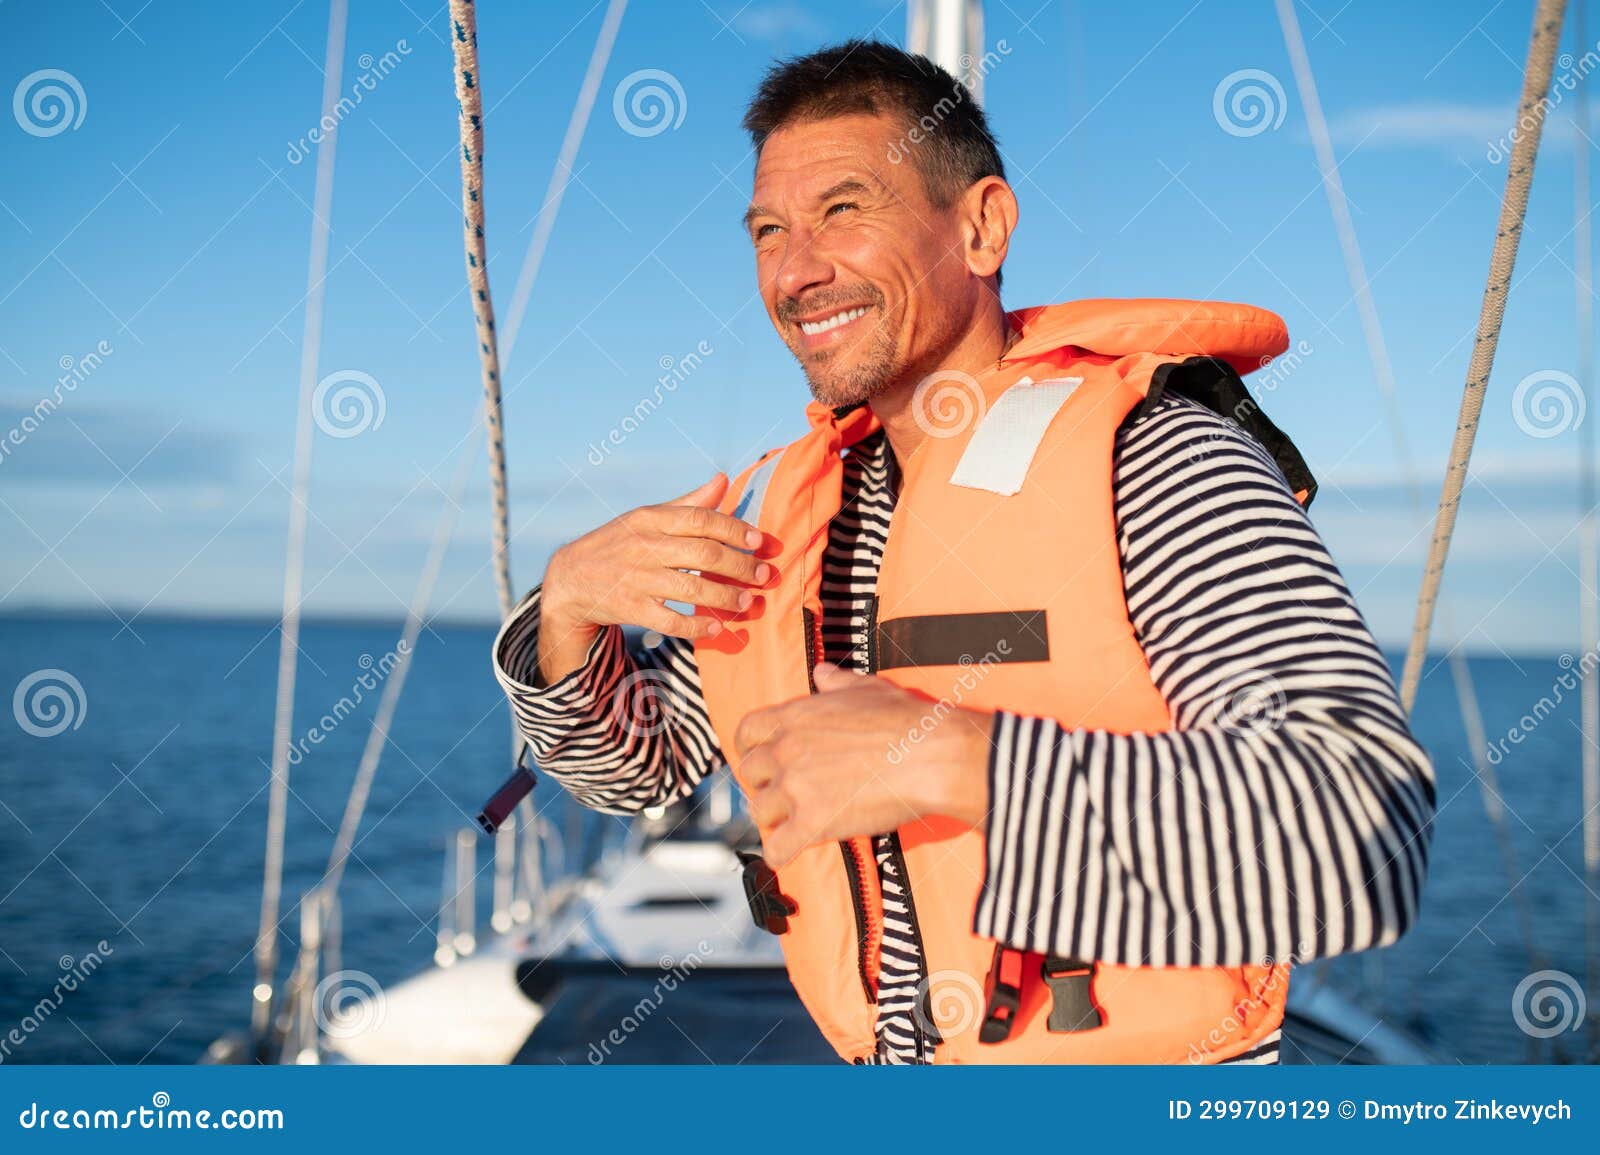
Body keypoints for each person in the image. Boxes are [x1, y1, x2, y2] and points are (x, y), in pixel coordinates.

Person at [493, 40, 1434, 1065]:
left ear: (980, 226)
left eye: (844, 210)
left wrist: (949, 758)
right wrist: (568, 616)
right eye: (769, 229)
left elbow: (1357, 834)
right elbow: (641, 770)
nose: (796, 269)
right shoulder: (784, 504)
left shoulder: (1151, 455)